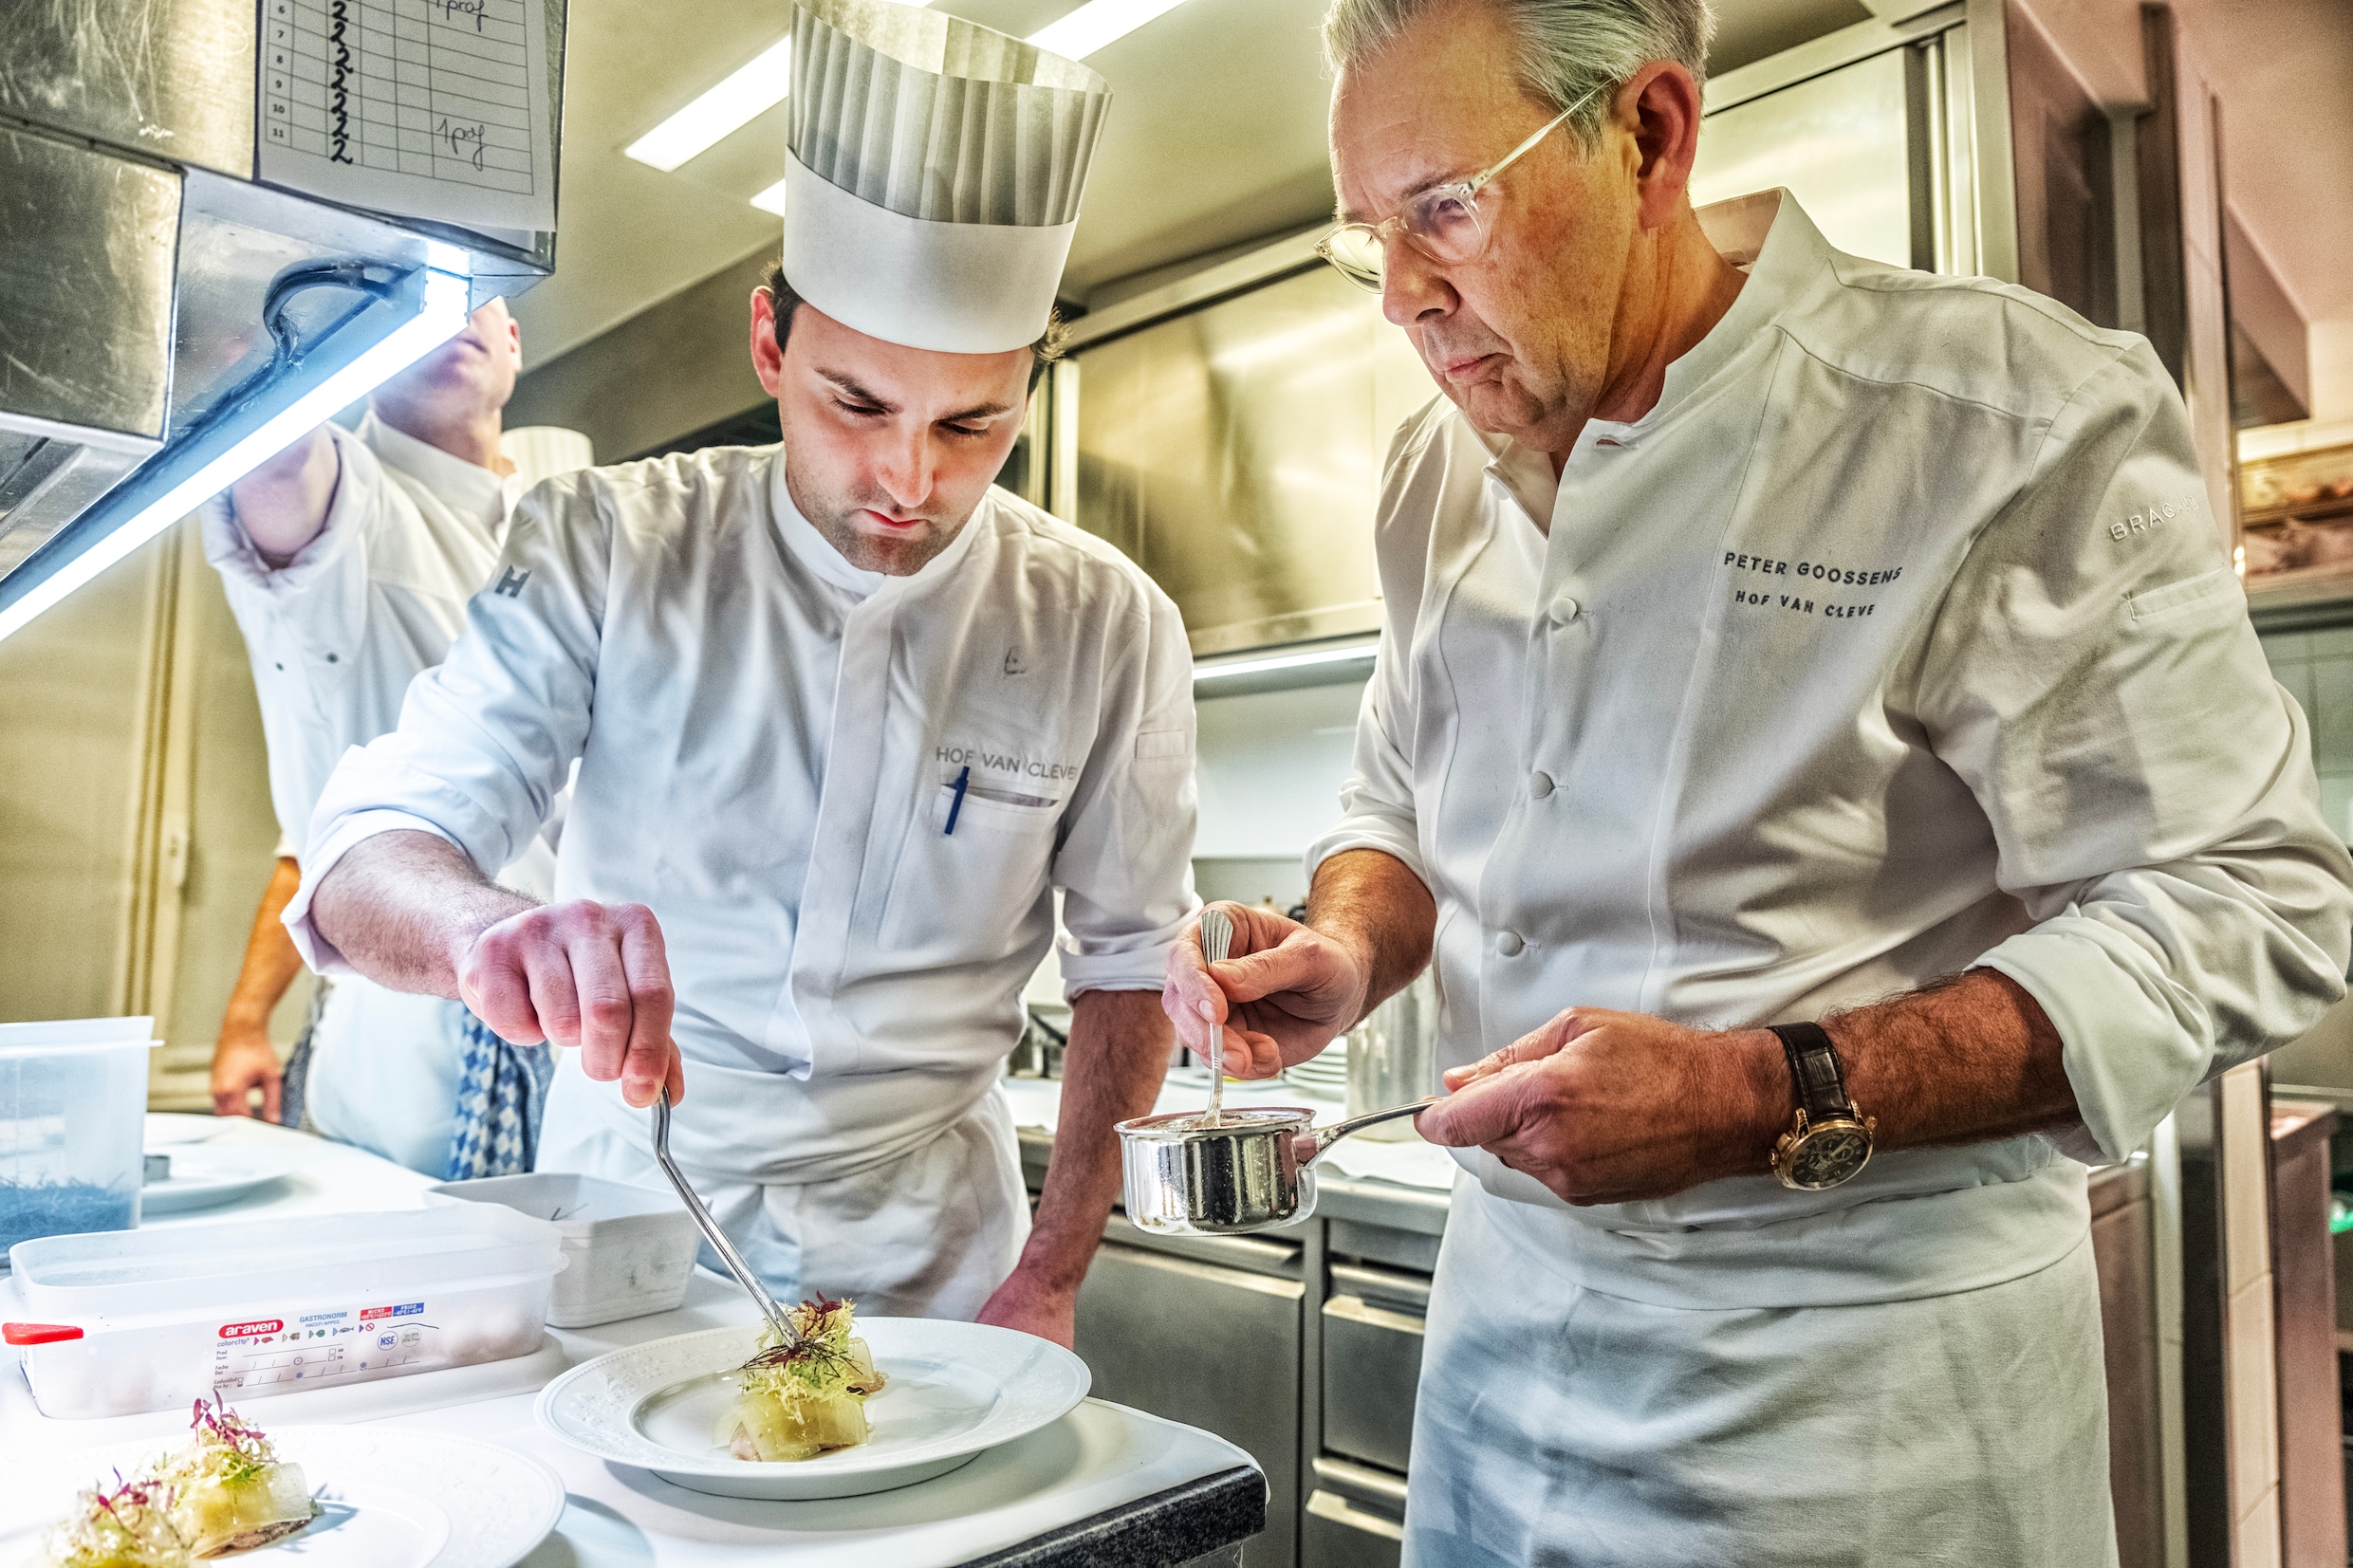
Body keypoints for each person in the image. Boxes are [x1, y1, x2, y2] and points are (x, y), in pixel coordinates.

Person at [1161, 0, 2353, 1561]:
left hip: (1861, 1422)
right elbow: (1396, 804)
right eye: (1369, 236)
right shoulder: (1432, 473)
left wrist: (1759, 1092)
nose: (1401, 299)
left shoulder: (1994, 420)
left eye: (1446, 209)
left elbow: (2250, 900)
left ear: (1649, 135)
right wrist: (1350, 943)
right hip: (1501, 1376)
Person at [283, 0, 1195, 1337]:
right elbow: (367, 853)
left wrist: (1052, 1275)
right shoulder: (608, 543)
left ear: (1029, 383)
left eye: (972, 423)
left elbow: (1126, 970)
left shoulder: (1105, 623)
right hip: (635, 1237)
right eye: (858, 404)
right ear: (771, 341)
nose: (908, 478)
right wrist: (487, 936)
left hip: (943, 1266)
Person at [202, 296, 587, 1178]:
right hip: (410, 1045)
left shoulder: (562, 535)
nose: (450, 308)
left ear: (516, 342)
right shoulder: (345, 494)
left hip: (577, 1049)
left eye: (475, 296)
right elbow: (277, 468)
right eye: (419, 297)